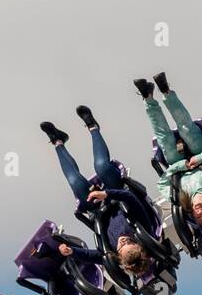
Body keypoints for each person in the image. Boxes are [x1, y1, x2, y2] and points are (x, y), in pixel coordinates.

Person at [39, 111, 158, 280]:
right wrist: (106, 193)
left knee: (76, 182)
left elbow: (91, 256)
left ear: (119, 256)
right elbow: (130, 198)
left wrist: (72, 251)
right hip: (117, 192)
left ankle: (57, 141)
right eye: (129, 242)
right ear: (138, 245)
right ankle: (93, 126)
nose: (123, 241)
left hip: (97, 209)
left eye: (122, 247)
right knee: (102, 166)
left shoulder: (110, 253)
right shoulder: (142, 228)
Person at [134, 72, 202, 230]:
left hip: (177, 162)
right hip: (201, 153)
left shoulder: (179, 199)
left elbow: (162, 182)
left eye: (198, 217)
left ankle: (148, 98)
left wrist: (180, 166)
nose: (200, 213)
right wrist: (201, 158)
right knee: (186, 130)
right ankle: (166, 91)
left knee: (164, 138)